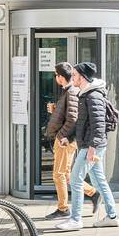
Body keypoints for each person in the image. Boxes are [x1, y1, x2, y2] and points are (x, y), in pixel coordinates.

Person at [56, 61, 119, 230]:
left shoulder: (93, 96)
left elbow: (98, 125)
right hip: (90, 145)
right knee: (99, 182)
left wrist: (92, 148)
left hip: (92, 146)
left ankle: (75, 219)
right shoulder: (86, 94)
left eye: (75, 75)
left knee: (75, 179)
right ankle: (112, 216)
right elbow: (82, 123)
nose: (73, 77)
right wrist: (68, 138)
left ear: (83, 77)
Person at [41, 62, 78, 221]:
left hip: (64, 140)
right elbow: (68, 115)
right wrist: (55, 109)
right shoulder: (67, 92)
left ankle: (63, 209)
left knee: (58, 175)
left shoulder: (70, 93)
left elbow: (73, 119)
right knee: (67, 175)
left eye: (56, 75)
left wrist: (62, 136)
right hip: (64, 139)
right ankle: (93, 193)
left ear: (61, 77)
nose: (56, 78)